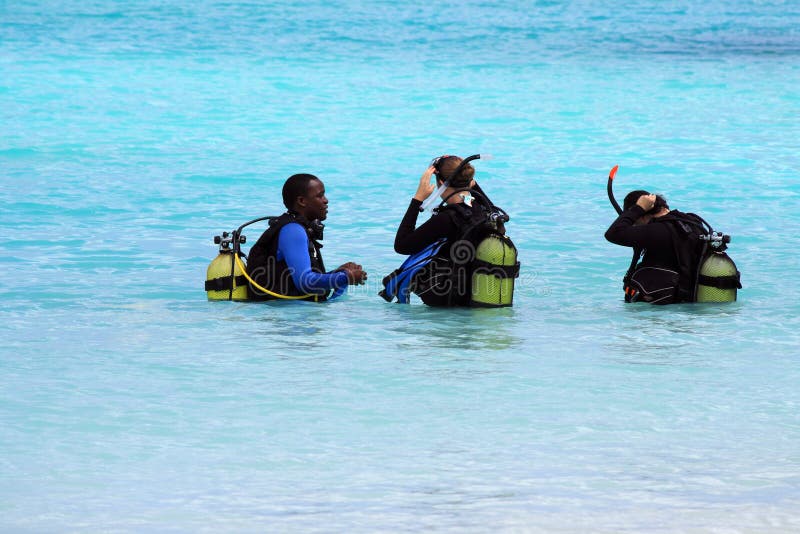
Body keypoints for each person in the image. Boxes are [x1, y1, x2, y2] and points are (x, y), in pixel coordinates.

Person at [389, 155, 517, 306]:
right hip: (480, 295)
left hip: (448, 300)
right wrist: (462, 171)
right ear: (471, 181)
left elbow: (402, 245)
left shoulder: (446, 219)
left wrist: (417, 199)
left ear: (441, 183)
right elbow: (478, 194)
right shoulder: (486, 211)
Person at [604, 189, 740, 304]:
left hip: (662, 310)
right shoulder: (692, 223)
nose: (635, 227)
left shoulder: (657, 231)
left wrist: (637, 209)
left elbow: (613, 234)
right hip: (688, 301)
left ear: (643, 214)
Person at [246, 173, 367, 301]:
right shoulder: (293, 231)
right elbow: (305, 282)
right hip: (288, 317)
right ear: (302, 201)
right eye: (319, 196)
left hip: (289, 312)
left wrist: (338, 273)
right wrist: (346, 276)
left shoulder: (296, 227)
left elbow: (297, 280)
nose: (326, 200)